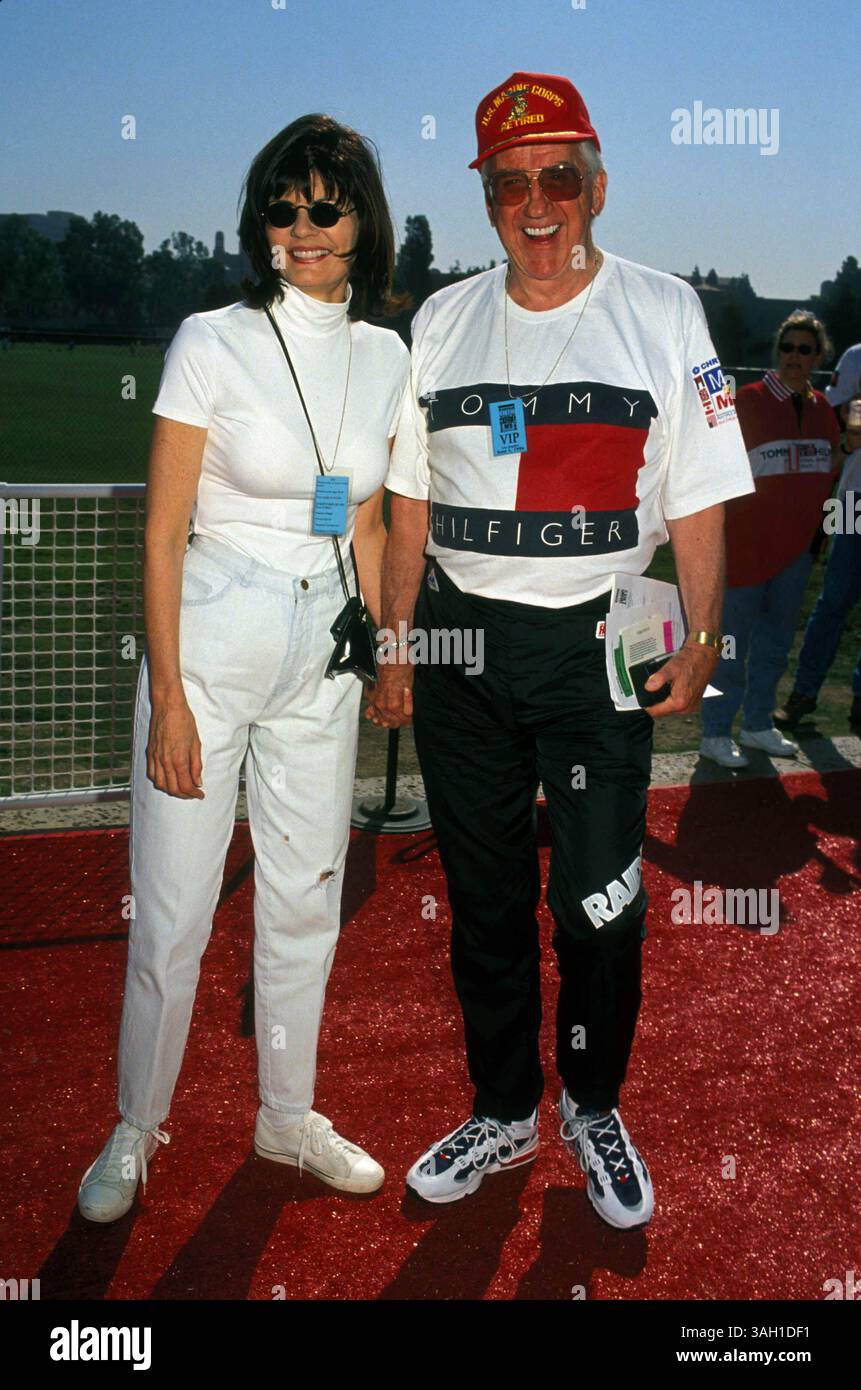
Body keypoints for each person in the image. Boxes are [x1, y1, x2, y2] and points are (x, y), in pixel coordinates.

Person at [366, 72, 753, 1229]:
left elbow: (697, 496)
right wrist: (396, 647)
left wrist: (705, 630)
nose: (537, 205)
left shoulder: (669, 312)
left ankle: (591, 1099)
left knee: (599, 902)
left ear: (597, 184)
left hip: (605, 638)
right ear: (487, 198)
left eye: (559, 179)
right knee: (483, 901)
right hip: (464, 651)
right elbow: (406, 504)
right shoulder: (437, 320)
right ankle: (503, 1105)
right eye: (510, 185)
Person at [77, 114, 410, 1222]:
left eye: (325, 207)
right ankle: (137, 1124)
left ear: (363, 221)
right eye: (283, 208)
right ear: (258, 223)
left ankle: (285, 1113)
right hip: (212, 644)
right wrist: (169, 694)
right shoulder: (209, 339)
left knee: (306, 899)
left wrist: (389, 651)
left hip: (321, 652)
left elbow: (364, 519)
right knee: (172, 911)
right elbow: (162, 530)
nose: (303, 229)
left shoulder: (385, 356)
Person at [699, 312, 858, 768]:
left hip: (794, 554)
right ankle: (714, 731)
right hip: (744, 550)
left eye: (804, 349)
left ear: (818, 358)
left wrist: (847, 447)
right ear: (778, 351)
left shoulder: (824, 410)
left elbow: (822, 469)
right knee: (729, 645)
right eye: (788, 347)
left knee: (773, 646)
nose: (794, 356)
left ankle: (756, 724)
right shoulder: (747, 400)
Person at [776, 395, 861, 733]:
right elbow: (840, 419)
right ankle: (803, 692)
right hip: (853, 500)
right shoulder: (855, 357)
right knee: (832, 603)